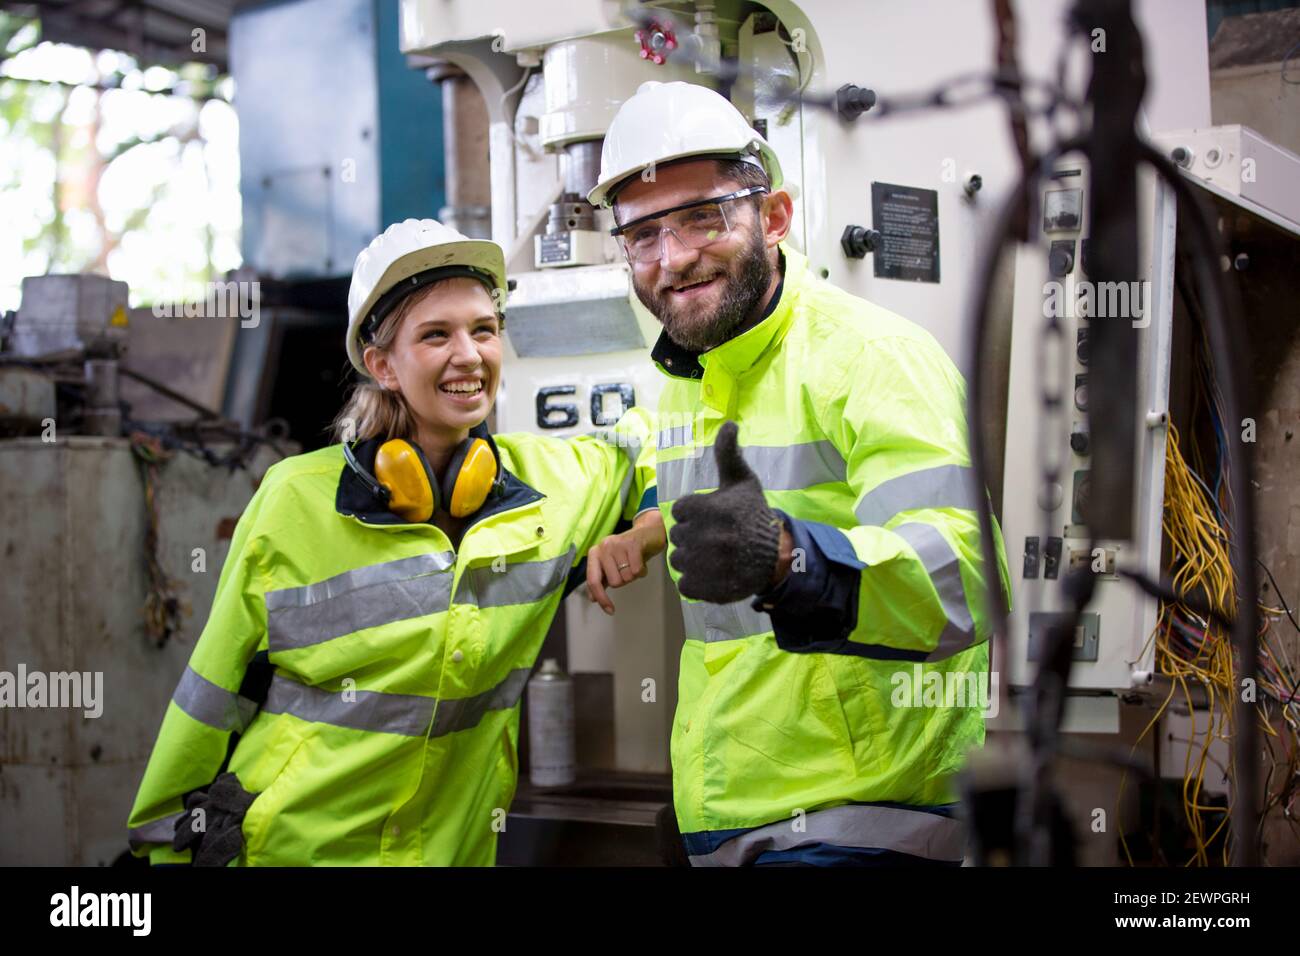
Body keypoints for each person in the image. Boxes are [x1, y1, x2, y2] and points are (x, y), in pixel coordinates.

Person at [125, 219, 663, 866]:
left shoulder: (553, 488)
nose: (468, 354)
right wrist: (160, 851)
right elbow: (209, 696)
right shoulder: (292, 500)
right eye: (436, 334)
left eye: (483, 330)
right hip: (296, 849)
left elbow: (656, 436)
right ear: (382, 364)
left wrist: (649, 526)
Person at [587, 81, 1011, 866]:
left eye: (702, 218)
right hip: (729, 815)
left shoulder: (874, 359)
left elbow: (968, 579)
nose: (673, 259)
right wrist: (646, 528)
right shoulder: (688, 374)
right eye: (643, 235)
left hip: (860, 822)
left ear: (773, 217)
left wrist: (794, 559)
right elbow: (655, 453)